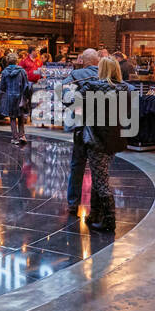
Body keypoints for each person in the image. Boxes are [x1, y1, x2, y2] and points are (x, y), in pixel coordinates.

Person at [77, 56, 128, 232]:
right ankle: (95, 214)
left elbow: (76, 104)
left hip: (95, 139)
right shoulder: (124, 89)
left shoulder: (92, 87)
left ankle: (108, 220)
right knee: (100, 176)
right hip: (113, 139)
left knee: (101, 180)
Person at [65, 48, 101, 215]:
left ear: (83, 61)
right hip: (102, 126)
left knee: (77, 164)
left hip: (81, 124)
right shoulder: (106, 74)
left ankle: (73, 202)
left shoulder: (76, 75)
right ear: (97, 61)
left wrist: (75, 105)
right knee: (99, 167)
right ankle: (97, 203)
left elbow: (63, 93)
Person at [0, 51, 31, 146]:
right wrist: (26, 96)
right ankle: (22, 135)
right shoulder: (22, 71)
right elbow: (26, 85)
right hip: (20, 96)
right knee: (20, 116)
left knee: (12, 118)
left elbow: (2, 87)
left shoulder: (4, 72)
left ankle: (15, 138)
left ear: (7, 61)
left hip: (9, 96)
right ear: (16, 61)